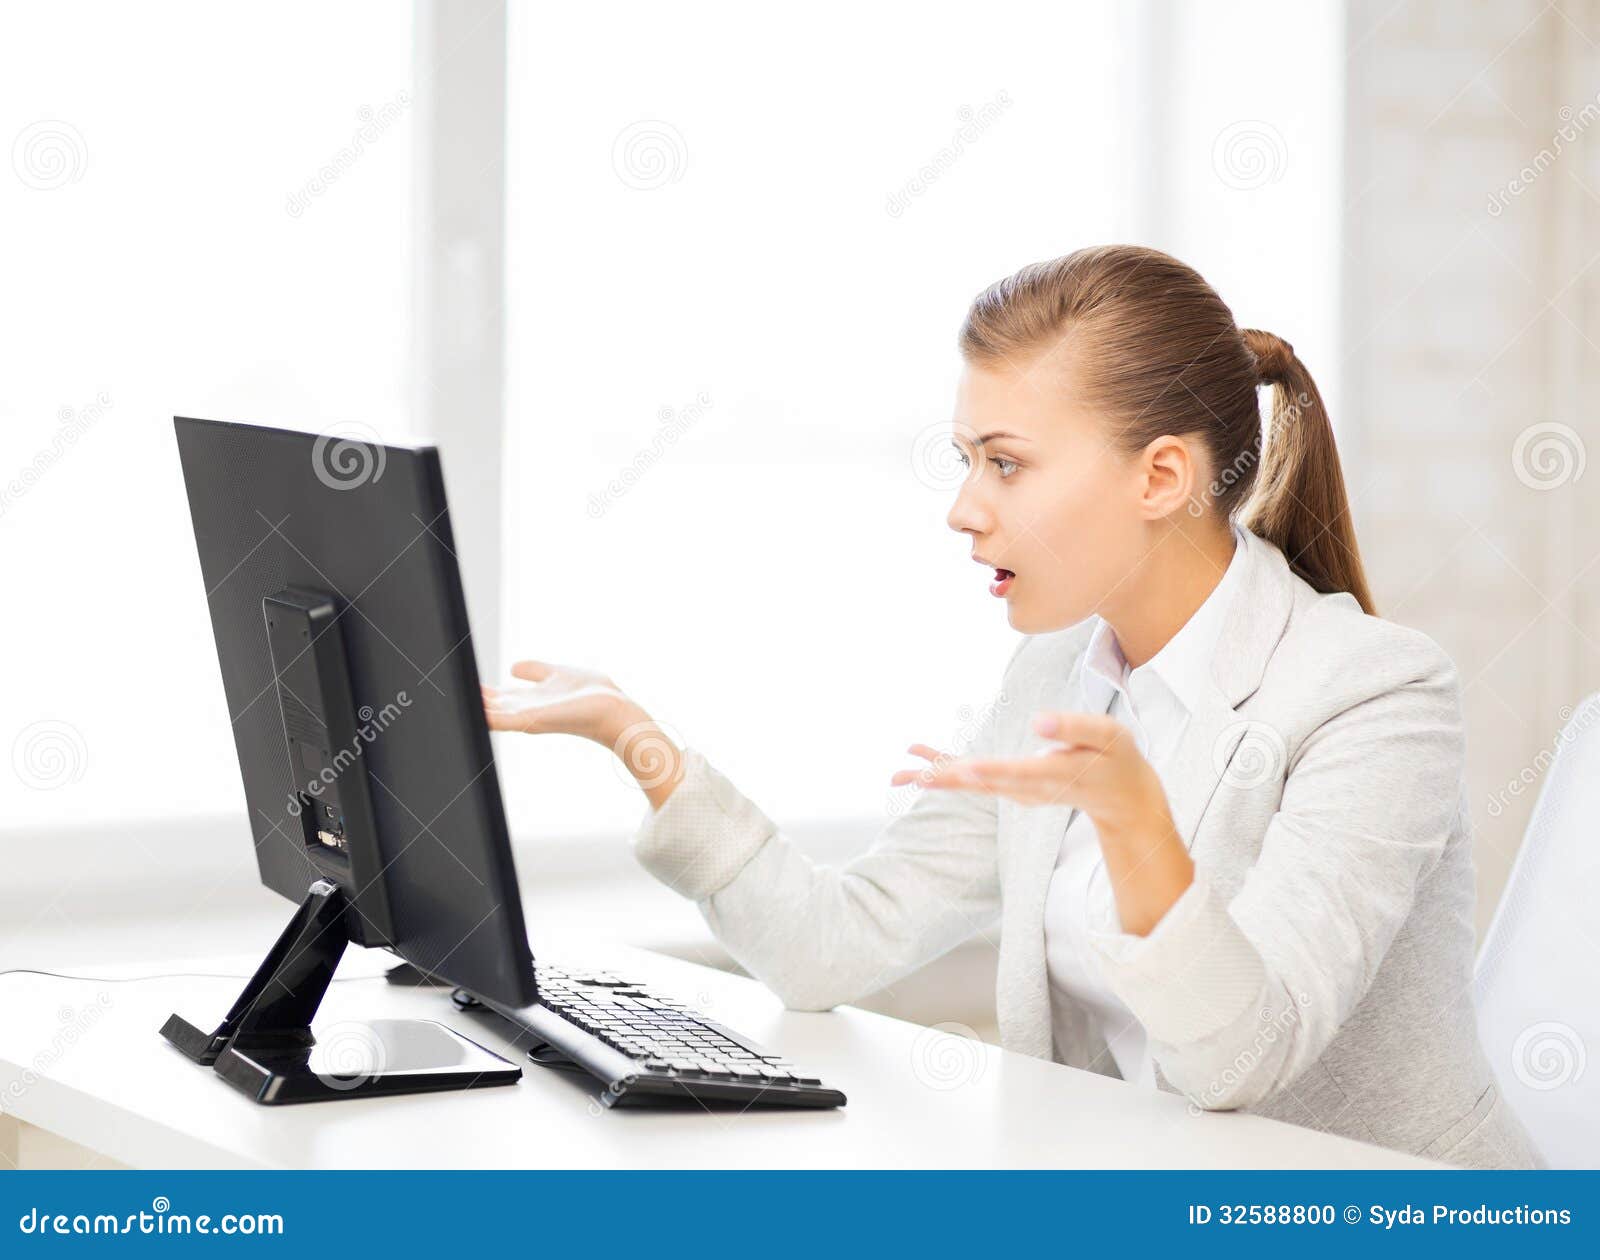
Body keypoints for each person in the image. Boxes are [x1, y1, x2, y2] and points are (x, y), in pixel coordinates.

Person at [482, 244, 1541, 1168]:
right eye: (965, 461)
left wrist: (1136, 829)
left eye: (1005, 465)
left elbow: (1242, 1059)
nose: (962, 509)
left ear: (1161, 477)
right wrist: (640, 744)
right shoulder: (1059, 675)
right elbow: (828, 947)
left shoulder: (1375, 695)